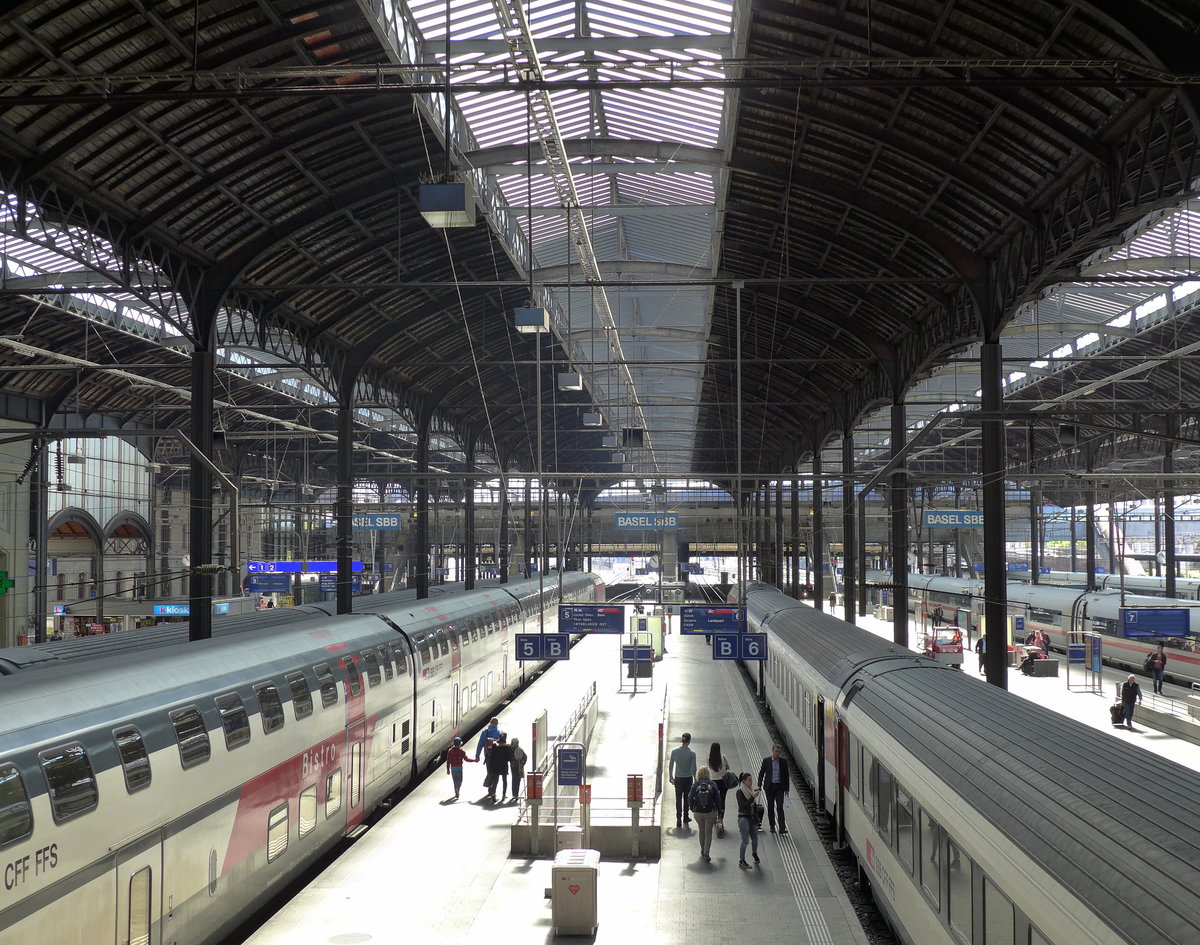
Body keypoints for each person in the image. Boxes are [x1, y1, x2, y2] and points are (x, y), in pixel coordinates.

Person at [687, 766, 720, 862]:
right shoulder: (713, 784)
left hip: (698, 812)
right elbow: (718, 799)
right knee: (708, 832)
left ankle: (702, 849)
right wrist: (719, 812)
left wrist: (692, 808)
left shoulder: (695, 785)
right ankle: (707, 853)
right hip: (711, 812)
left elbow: (689, 797)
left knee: (701, 831)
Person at [756, 744, 790, 835]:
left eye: (779, 752)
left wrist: (787, 789)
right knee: (770, 807)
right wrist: (759, 785)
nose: (777, 753)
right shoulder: (766, 761)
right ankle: (772, 826)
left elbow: (786, 776)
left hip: (779, 787)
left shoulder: (783, 762)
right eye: (776, 751)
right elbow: (761, 773)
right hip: (769, 787)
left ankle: (782, 828)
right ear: (772, 751)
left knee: (780, 807)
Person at [669, 732, 697, 828]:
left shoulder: (674, 752)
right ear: (689, 741)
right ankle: (686, 817)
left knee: (678, 798)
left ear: (682, 740)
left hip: (678, 779)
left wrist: (670, 776)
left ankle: (678, 819)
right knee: (686, 798)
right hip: (688, 779)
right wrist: (696, 779)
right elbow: (694, 768)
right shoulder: (692, 754)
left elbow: (671, 765)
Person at [735, 772, 761, 868]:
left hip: (752, 818)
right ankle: (742, 860)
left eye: (751, 780)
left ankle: (754, 853)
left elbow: (753, 806)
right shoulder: (740, 792)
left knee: (755, 838)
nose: (751, 782)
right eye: (749, 780)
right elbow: (742, 806)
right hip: (743, 818)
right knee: (745, 840)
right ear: (744, 781)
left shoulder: (750, 791)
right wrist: (752, 797)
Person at [707, 742, 733, 832]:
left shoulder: (709, 759)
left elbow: (708, 770)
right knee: (722, 800)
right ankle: (721, 818)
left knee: (714, 800)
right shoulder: (724, 757)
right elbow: (729, 768)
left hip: (713, 782)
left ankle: (714, 818)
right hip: (723, 782)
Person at [445, 736, 476, 800]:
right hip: (459, 768)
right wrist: (474, 760)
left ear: (454, 743)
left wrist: (448, 770)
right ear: (460, 744)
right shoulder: (461, 751)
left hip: (453, 768)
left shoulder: (450, 751)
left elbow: (448, 761)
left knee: (455, 780)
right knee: (460, 780)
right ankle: (457, 790)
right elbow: (466, 759)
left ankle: (456, 790)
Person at [485, 732, 513, 800]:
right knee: (504, 781)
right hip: (503, 766)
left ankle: (493, 793)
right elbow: (509, 758)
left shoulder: (495, 746)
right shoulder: (507, 747)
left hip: (495, 765)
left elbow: (492, 757)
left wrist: (490, 767)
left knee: (495, 781)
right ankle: (503, 795)